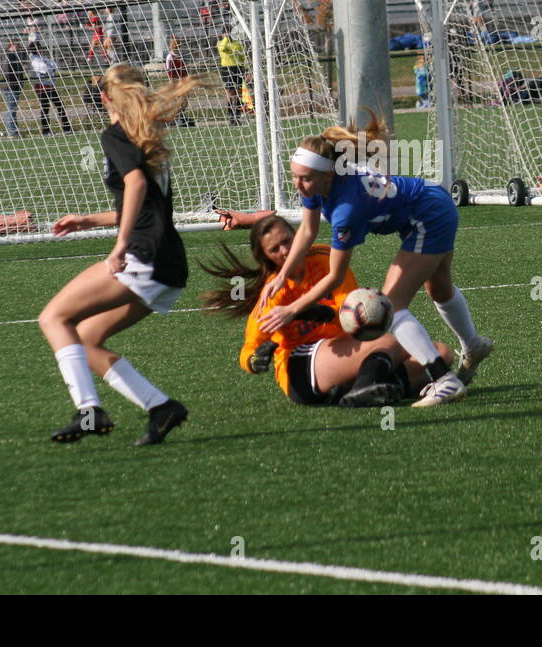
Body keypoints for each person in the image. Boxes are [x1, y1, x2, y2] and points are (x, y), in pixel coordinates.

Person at [259, 114, 493, 407]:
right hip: (430, 203)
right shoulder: (319, 181)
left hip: (429, 216)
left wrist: (292, 309)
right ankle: (473, 344)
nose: (298, 184)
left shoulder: (346, 211)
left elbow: (334, 276)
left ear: (327, 174)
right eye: (294, 176)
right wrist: (281, 276)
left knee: (391, 306)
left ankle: (443, 380)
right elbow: (307, 229)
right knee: (440, 289)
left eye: (305, 178)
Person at [39, 63, 197, 445]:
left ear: (106, 97)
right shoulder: (148, 138)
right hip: (170, 263)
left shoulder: (116, 134)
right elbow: (144, 205)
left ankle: (88, 411)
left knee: (53, 318)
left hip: (145, 255)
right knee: (86, 339)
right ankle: (161, 408)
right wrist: (89, 220)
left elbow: (136, 183)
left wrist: (119, 247)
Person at [202, 215, 451, 406]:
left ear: (299, 235)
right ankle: (369, 383)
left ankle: (362, 389)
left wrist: (322, 313)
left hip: (342, 350)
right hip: (299, 368)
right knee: (391, 340)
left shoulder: (325, 259)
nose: (285, 252)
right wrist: (255, 361)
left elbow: (351, 318)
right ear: (266, 257)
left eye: (287, 241)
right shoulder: (273, 292)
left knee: (441, 354)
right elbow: (248, 350)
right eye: (275, 250)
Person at [29, 47, 73, 135]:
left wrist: (51, 67)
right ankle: (46, 131)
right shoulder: (34, 60)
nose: (41, 50)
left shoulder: (43, 58)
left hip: (50, 85)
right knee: (45, 108)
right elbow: (46, 69)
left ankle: (67, 128)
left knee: (59, 105)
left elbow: (54, 65)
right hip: (41, 86)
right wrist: (51, 68)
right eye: (39, 49)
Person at [217, 28, 247, 125]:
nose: (227, 34)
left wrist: (245, 68)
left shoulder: (237, 44)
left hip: (238, 68)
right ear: (222, 34)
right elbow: (222, 49)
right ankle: (230, 115)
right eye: (225, 32)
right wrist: (225, 38)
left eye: (229, 32)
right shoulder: (220, 43)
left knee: (239, 93)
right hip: (226, 69)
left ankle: (237, 116)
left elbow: (243, 57)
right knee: (230, 93)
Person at [164, 36, 194, 126]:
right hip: (175, 82)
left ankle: (179, 117)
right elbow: (169, 71)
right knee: (178, 102)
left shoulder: (180, 56)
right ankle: (177, 120)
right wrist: (172, 81)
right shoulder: (170, 56)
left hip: (183, 82)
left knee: (185, 102)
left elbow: (184, 70)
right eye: (177, 43)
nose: (179, 45)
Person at [0, 39, 27, 138]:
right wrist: (16, 79)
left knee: (13, 109)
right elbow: (7, 72)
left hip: (15, 85)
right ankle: (12, 132)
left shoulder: (15, 55)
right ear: (12, 45)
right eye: (18, 45)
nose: (19, 47)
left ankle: (14, 131)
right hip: (10, 86)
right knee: (11, 109)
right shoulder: (8, 55)